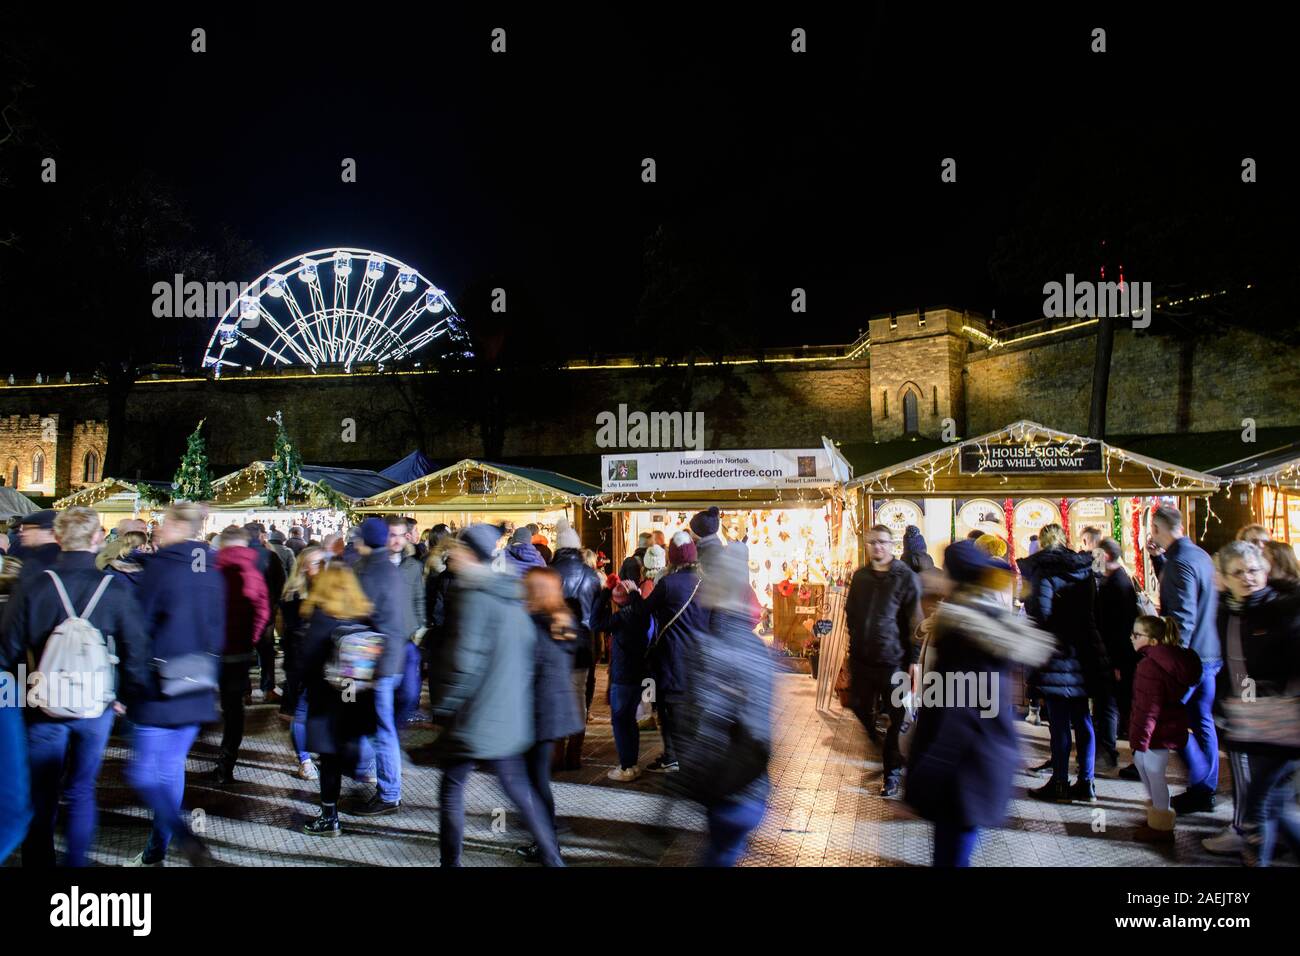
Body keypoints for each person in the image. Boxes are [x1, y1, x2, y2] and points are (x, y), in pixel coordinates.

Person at [0, 506, 149, 867]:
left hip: (43, 703)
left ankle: (40, 862)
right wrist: (126, 698)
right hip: (95, 706)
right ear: (98, 538)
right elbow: (136, 650)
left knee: (42, 793)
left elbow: (8, 650)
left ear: (59, 537)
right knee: (82, 791)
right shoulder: (114, 588)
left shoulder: (36, 585)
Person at [906, 540, 1056, 866]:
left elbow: (957, 706)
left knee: (952, 854)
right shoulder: (990, 619)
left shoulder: (960, 630)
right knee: (960, 843)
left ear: (954, 577)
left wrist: (931, 763)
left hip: (962, 764)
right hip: (987, 755)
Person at [429, 525, 562, 866]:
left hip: (476, 716)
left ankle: (450, 863)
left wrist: (444, 706)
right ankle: (553, 859)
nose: (453, 554)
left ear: (471, 554)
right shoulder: (512, 594)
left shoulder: (471, 594)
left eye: (459, 549)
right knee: (519, 791)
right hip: (508, 714)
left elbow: (465, 661)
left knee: (452, 789)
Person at [123, 502, 225, 865]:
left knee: (143, 774)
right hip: (196, 681)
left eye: (163, 524)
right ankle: (156, 851)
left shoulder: (162, 568)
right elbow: (218, 628)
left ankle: (179, 838)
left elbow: (138, 631)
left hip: (158, 686)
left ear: (177, 526)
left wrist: (127, 685)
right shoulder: (212, 567)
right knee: (169, 767)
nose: (158, 530)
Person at [678, 539, 773, 865]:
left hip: (723, 784)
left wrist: (688, 772)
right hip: (754, 785)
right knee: (724, 852)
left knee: (718, 855)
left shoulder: (706, 647)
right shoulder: (758, 648)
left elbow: (704, 720)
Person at [1207, 541, 1300, 864]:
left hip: (1285, 722)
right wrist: (1224, 706)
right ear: (1225, 578)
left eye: (1254, 570)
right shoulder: (1228, 612)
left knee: (1257, 806)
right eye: (1239, 573)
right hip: (1252, 721)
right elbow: (1230, 665)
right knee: (1276, 804)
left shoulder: (1282, 610)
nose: (1248, 578)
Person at [1026, 523, 1108, 803]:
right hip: (1084, 651)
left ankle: (1060, 782)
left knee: (1059, 722)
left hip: (1057, 652)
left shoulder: (1044, 570)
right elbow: (1094, 611)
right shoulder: (1084, 569)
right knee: (1083, 719)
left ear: (1043, 542)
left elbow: (1041, 613)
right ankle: (1087, 783)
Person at [298, 564, 381, 837]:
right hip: (358, 700)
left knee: (328, 760)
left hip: (328, 703)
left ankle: (329, 816)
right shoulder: (366, 616)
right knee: (346, 747)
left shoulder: (322, 618)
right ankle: (360, 775)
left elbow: (306, 664)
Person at [1151, 506, 1221, 816]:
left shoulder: (1180, 563)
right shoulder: (1200, 556)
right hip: (1210, 653)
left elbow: (1182, 618)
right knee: (1202, 721)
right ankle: (1205, 790)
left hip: (1192, 658)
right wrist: (1157, 560)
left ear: (1156, 528)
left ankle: (1200, 774)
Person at [843, 524, 922, 797]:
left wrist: (913, 660)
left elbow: (915, 621)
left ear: (892, 545)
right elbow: (851, 614)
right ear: (867, 545)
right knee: (858, 707)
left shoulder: (905, 577)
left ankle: (892, 774)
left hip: (894, 661)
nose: (878, 547)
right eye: (873, 542)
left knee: (897, 718)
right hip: (863, 660)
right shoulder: (861, 577)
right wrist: (852, 650)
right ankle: (883, 747)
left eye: (883, 542)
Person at [515, 567, 585, 862]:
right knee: (537, 781)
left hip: (537, 714)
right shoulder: (563, 622)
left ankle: (548, 845)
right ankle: (546, 841)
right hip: (552, 713)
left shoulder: (534, 626)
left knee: (534, 782)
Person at [351, 516, 413, 815]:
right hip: (390, 658)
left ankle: (389, 793)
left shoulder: (370, 571)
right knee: (372, 723)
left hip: (376, 663)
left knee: (381, 728)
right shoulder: (389, 568)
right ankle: (364, 770)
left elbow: (356, 616)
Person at [1126, 614, 1202, 843]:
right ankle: (1157, 815)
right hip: (1166, 727)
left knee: (1154, 773)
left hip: (1156, 733)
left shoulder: (1149, 666)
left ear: (1153, 641)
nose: (1132, 638)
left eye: (1137, 635)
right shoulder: (1168, 661)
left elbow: (1148, 709)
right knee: (1148, 769)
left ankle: (1161, 827)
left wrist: (1140, 741)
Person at [212, 526, 271, 784]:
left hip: (209, 651)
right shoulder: (254, 572)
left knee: (200, 700)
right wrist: (252, 638)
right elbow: (263, 610)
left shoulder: (210, 569)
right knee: (234, 708)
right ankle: (226, 762)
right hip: (238, 651)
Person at [595, 556, 653, 780]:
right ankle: (632, 763)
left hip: (622, 675)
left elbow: (595, 622)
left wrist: (603, 594)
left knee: (620, 720)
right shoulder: (642, 617)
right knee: (630, 719)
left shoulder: (619, 620)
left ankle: (626, 766)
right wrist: (636, 595)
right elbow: (643, 609)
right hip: (640, 673)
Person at [551, 519, 602, 765]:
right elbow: (597, 613)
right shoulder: (592, 575)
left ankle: (557, 752)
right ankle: (574, 754)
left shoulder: (549, 573)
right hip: (583, 643)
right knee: (579, 697)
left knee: (556, 698)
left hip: (555, 643)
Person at [1095, 538, 1141, 780]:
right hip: (1117, 656)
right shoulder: (1115, 580)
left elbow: (1120, 627)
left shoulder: (1117, 584)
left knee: (1119, 706)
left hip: (1119, 657)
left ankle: (1124, 755)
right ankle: (1109, 752)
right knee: (1114, 706)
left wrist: (1116, 663)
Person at [279, 545, 326, 780]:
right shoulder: (296, 595)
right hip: (303, 660)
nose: (321, 568)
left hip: (318, 658)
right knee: (302, 710)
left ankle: (314, 752)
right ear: (305, 566)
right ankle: (305, 760)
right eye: (316, 563)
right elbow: (294, 629)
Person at [385, 515, 426, 726]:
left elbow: (419, 597)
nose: (398, 540)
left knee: (409, 693)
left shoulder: (412, 566)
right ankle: (386, 739)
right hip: (381, 640)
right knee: (384, 696)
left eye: (401, 535)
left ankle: (393, 731)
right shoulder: (373, 565)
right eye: (393, 535)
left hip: (407, 638)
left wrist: (419, 626)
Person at [243, 522, 287, 700]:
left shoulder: (239, 555)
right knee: (266, 651)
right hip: (265, 610)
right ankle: (268, 688)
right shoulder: (270, 556)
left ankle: (245, 692)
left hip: (243, 611)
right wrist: (274, 603)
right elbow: (280, 583)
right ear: (260, 536)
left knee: (243, 652)